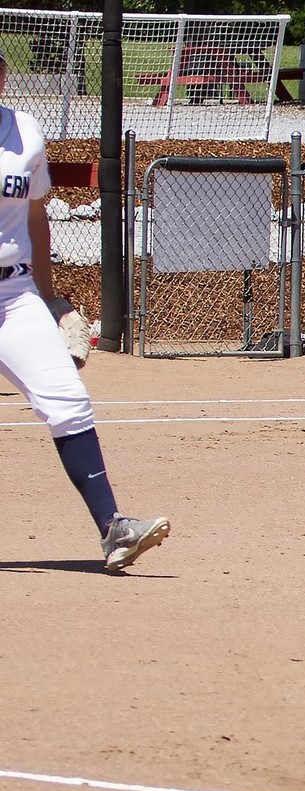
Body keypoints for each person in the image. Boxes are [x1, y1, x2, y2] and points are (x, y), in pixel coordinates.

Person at [0, 47, 171, 571]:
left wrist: (51, 298)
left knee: (67, 400)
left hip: (13, 295)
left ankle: (113, 528)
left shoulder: (24, 131)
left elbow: (34, 216)